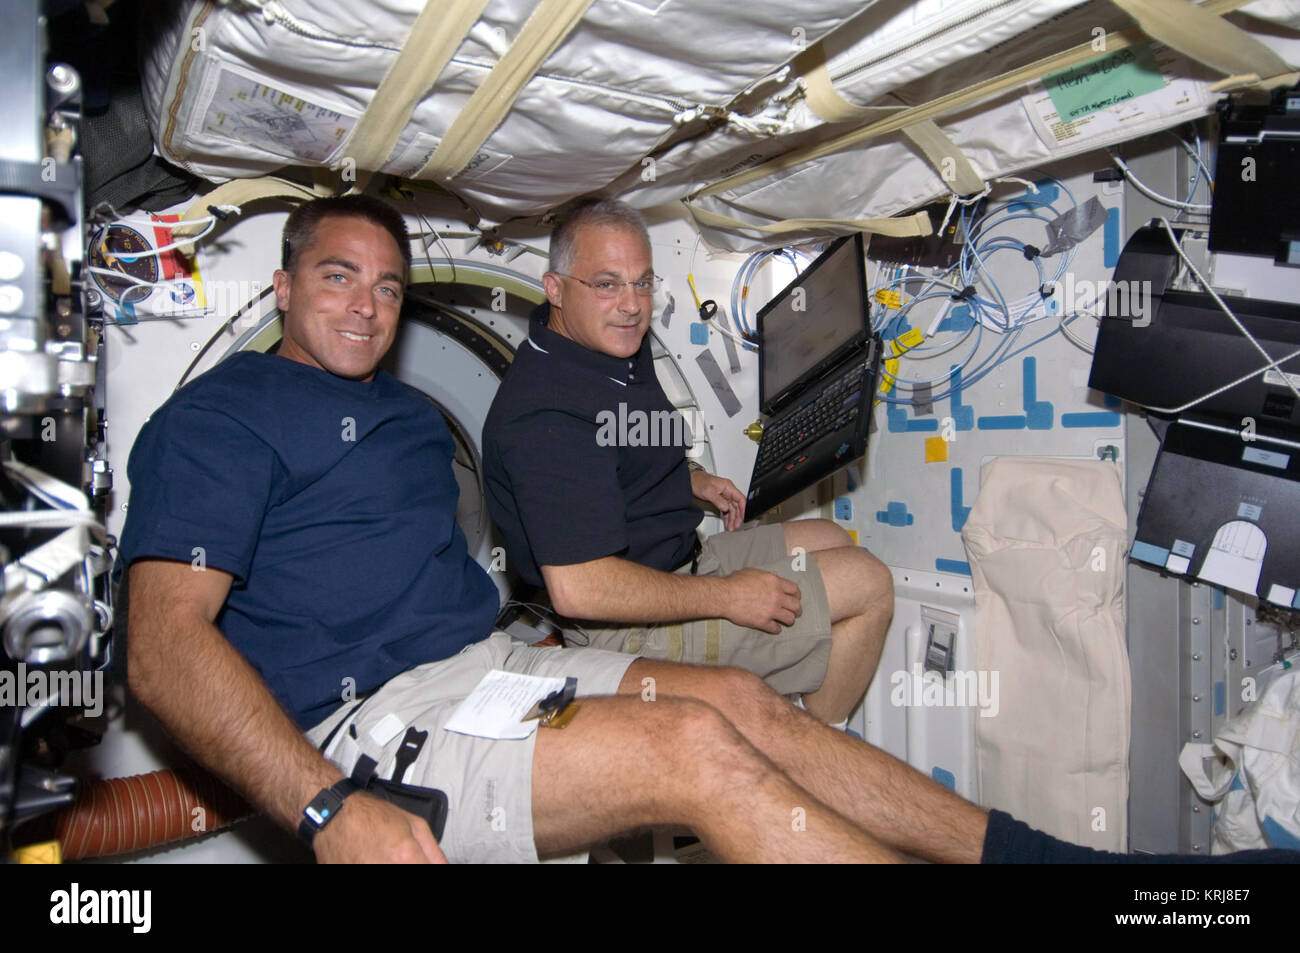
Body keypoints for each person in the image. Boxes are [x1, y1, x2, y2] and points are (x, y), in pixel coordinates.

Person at [120, 195, 1293, 866]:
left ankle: (1053, 862)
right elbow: (163, 650)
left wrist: (685, 476)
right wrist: (327, 803)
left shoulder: (413, 428)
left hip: (484, 665)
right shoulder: (219, 419)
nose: (365, 306)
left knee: (738, 707)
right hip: (369, 720)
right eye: (336, 278)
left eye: (385, 286)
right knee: (699, 750)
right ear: (279, 288)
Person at [482, 200, 891, 726]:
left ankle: (781, 706)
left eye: (643, 283)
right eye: (606, 284)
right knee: (869, 583)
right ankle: (817, 749)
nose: (631, 304)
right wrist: (727, 598)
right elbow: (582, 588)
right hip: (625, 623)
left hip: (678, 561)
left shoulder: (610, 348)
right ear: (555, 288)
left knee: (831, 540)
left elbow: (622, 444)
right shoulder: (544, 416)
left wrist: (692, 480)